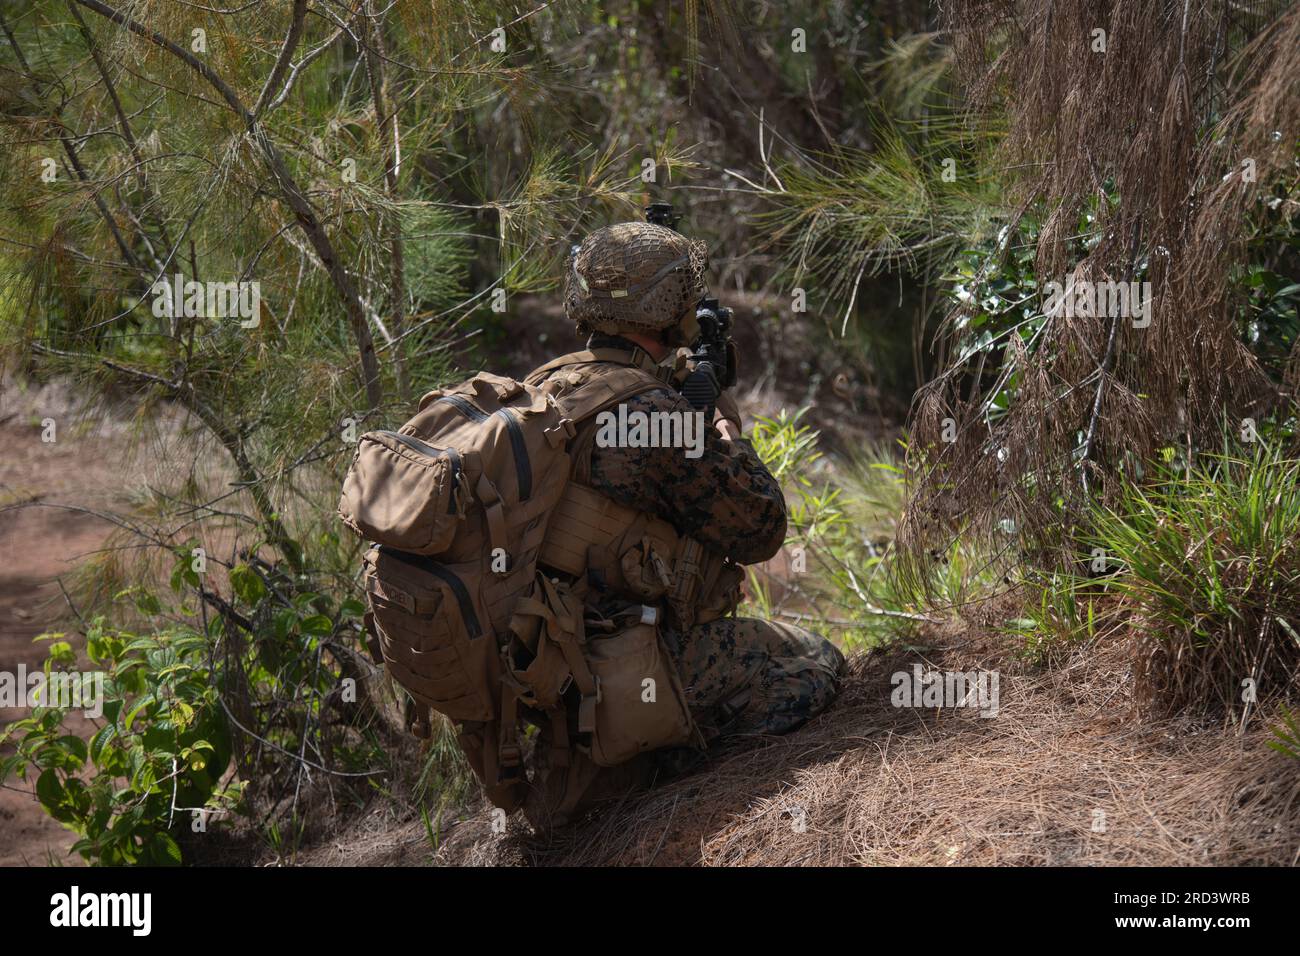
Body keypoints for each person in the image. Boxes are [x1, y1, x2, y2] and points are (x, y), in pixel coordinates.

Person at [519, 219, 845, 826]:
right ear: (667, 309)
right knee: (817, 663)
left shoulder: (547, 388)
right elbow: (760, 527)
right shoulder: (653, 413)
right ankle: (659, 759)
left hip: (548, 670)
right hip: (623, 667)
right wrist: (724, 427)